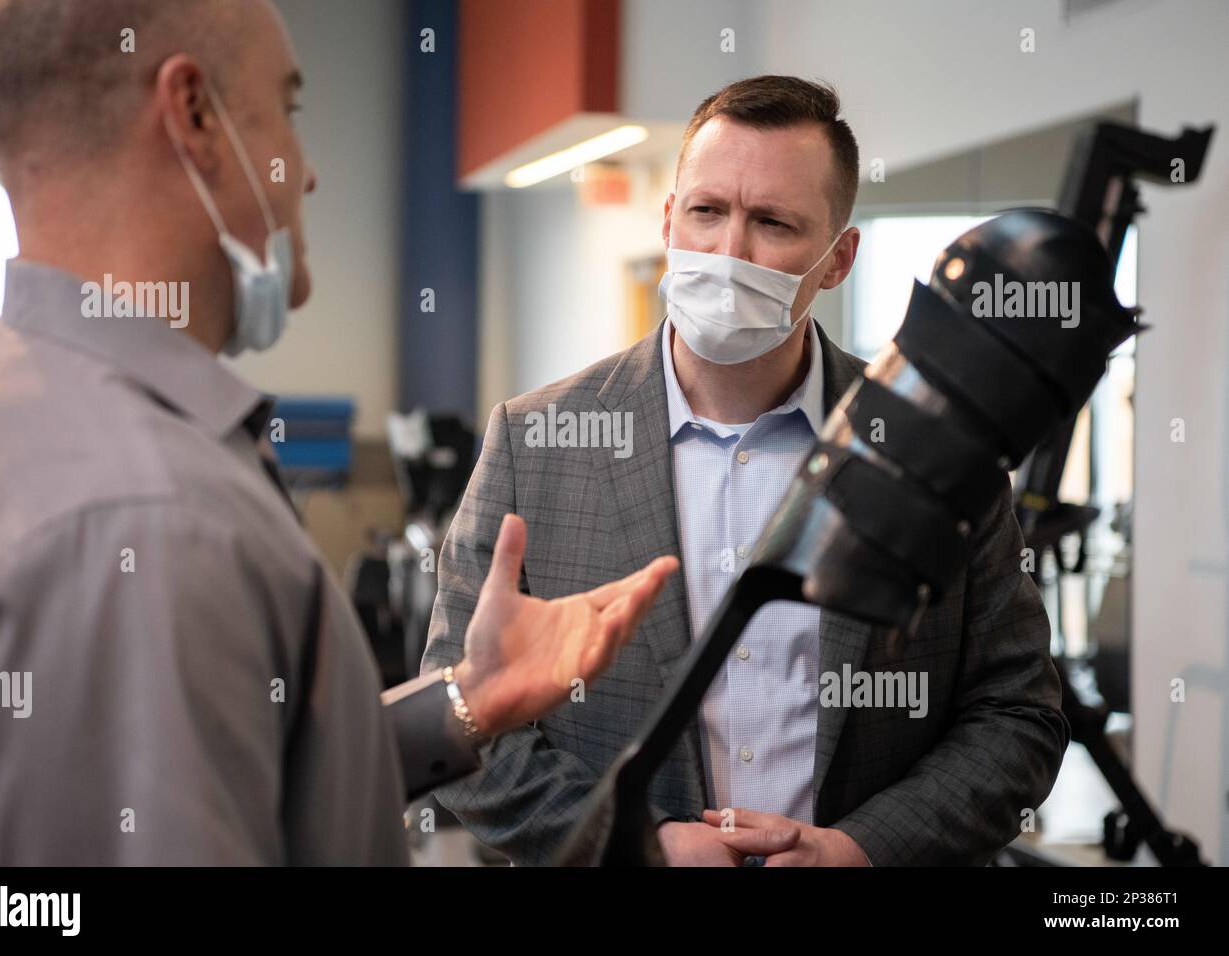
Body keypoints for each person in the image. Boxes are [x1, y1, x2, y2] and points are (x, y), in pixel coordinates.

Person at [0, 0, 678, 865]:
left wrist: (469, 699)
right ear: (194, 114)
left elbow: (238, 773)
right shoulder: (150, 514)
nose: (308, 172)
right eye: (288, 110)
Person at [422, 75, 1069, 866]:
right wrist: (642, 846)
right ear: (668, 220)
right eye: (706, 212)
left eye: (773, 223)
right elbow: (463, 731)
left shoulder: (935, 446)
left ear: (839, 260)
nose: (729, 253)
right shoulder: (535, 442)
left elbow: (1017, 714)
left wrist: (860, 852)